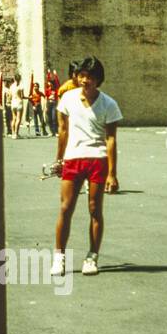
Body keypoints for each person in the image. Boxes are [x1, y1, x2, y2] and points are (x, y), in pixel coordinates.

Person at [48, 57, 121, 277]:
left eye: (89, 76)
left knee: (94, 210)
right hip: (73, 158)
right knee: (65, 208)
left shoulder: (109, 104)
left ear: (98, 79)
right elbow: (63, 131)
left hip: (97, 159)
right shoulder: (68, 99)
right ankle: (59, 257)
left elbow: (111, 139)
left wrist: (112, 173)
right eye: (81, 75)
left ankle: (92, 257)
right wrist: (59, 161)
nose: (84, 80)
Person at [44, 69, 60, 134]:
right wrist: (48, 73)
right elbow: (46, 98)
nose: (50, 86)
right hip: (49, 103)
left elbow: (57, 82)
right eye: (49, 85)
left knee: (54, 117)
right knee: (49, 118)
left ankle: (56, 131)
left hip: (54, 103)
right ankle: (51, 131)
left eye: (51, 85)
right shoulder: (47, 90)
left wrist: (55, 74)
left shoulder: (56, 89)